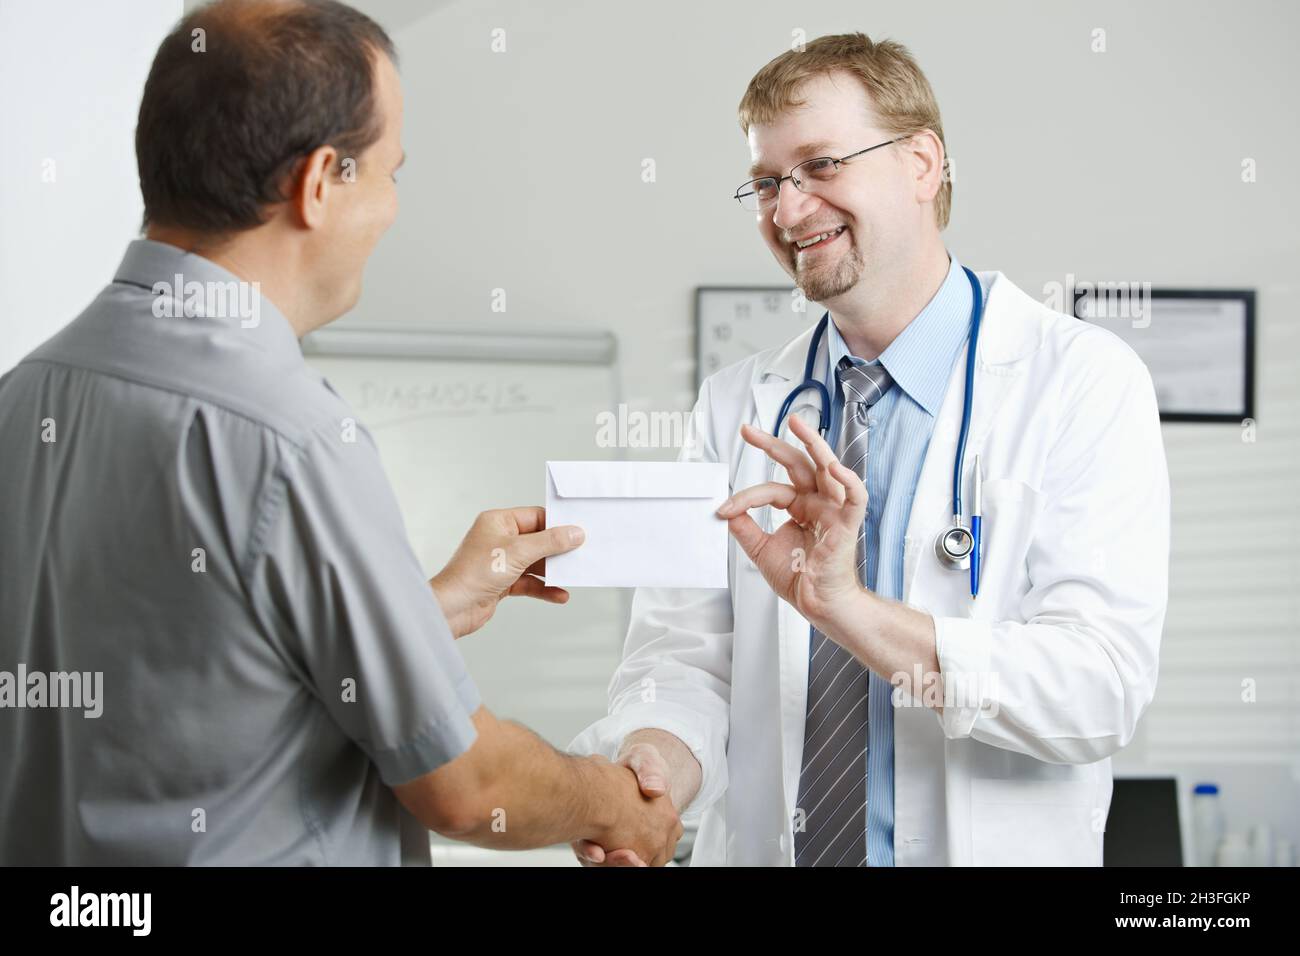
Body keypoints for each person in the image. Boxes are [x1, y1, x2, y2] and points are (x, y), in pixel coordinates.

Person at [0, 0, 681, 866]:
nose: (394, 204)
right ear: (321, 183)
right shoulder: (288, 437)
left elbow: (191, 670)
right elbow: (468, 787)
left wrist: (421, 612)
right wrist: (618, 807)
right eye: (392, 171)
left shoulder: (25, 397)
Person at [570, 32, 1169, 866]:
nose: (786, 210)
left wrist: (846, 608)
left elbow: (1097, 692)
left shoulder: (1080, 382)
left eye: (820, 166)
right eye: (767, 182)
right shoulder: (736, 406)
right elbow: (684, 662)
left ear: (922, 163)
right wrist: (654, 770)